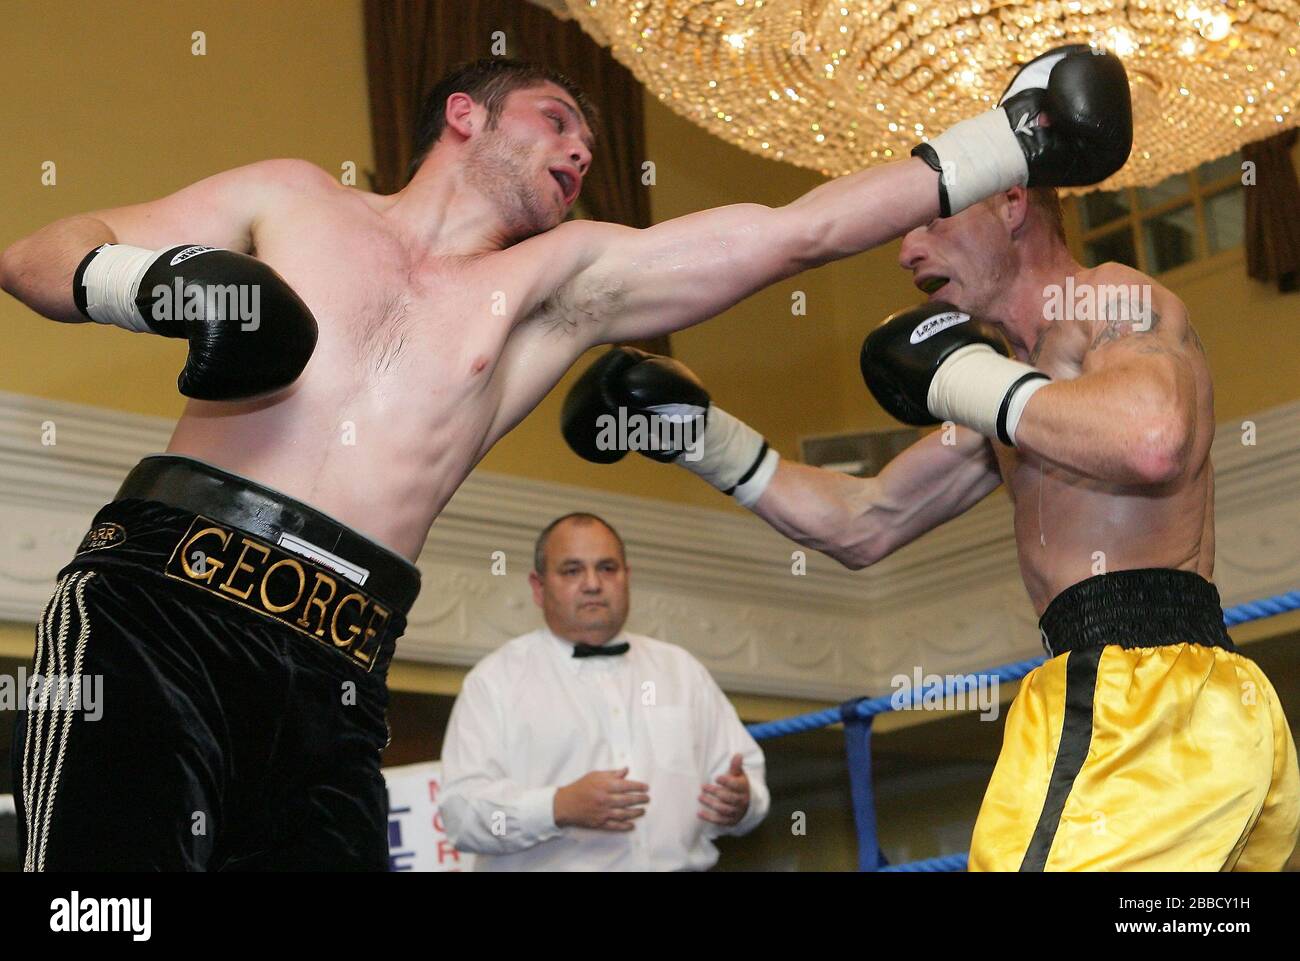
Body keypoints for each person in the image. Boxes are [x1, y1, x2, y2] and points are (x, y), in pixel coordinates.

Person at [0, 47, 1130, 870]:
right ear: (462, 116)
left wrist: (1005, 140)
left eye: (591, 143)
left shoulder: (557, 285)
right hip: (161, 604)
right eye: (555, 120)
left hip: (334, 665)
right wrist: (149, 288)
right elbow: (43, 251)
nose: (583, 149)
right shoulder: (293, 198)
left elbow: (792, 234)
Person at [562, 184, 1300, 871]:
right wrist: (694, 436)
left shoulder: (1108, 299)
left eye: (931, 221)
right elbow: (864, 519)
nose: (907, 249)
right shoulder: (1013, 390)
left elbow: (1152, 435)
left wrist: (960, 380)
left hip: (1141, 703)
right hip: (1165, 706)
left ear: (1011, 202)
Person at [440, 513, 768, 870]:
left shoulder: (682, 672)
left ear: (627, 576)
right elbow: (461, 814)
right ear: (538, 587)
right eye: (572, 570)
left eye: (607, 568)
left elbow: (747, 777)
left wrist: (743, 802)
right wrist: (558, 806)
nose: (593, 584)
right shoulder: (494, 681)